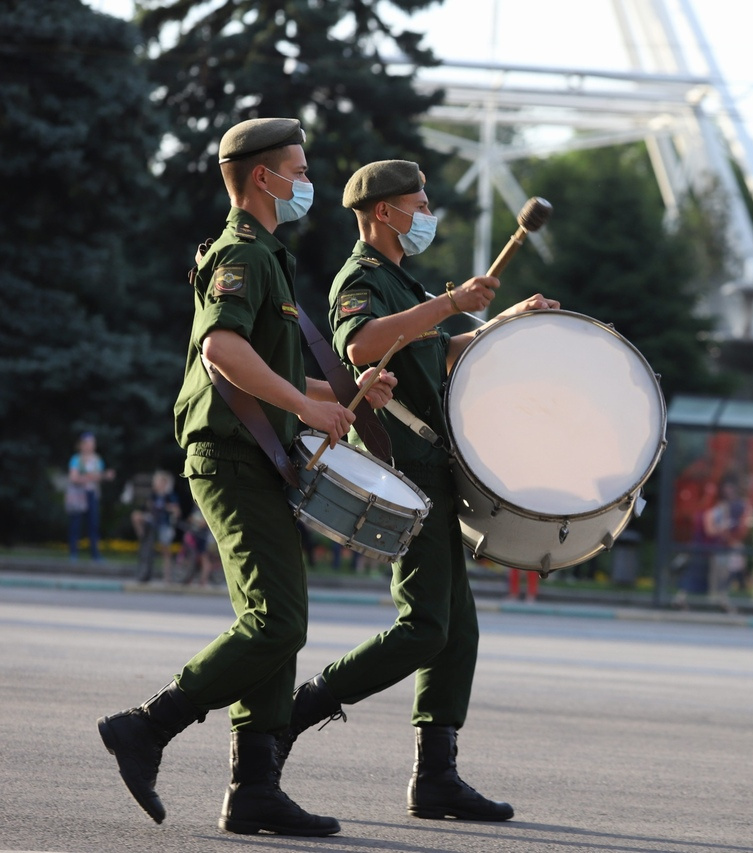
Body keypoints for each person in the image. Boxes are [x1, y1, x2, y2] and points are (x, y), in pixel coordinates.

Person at [96, 118, 396, 838]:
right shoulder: (242, 253)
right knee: (278, 620)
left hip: (257, 451)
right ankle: (147, 725)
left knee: (279, 623)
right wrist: (304, 405)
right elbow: (222, 348)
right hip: (229, 454)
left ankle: (254, 788)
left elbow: (274, 375)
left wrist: (342, 397)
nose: (307, 181)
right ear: (263, 177)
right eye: (298, 168)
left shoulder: (269, 256)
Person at [276, 159, 558, 823]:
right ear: (383, 212)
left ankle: (436, 775)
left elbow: (436, 348)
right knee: (425, 625)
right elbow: (361, 343)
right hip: (402, 465)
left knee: (457, 629)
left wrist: (496, 322)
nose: (427, 213)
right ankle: (293, 714)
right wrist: (455, 300)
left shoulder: (406, 281)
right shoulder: (363, 278)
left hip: (435, 465)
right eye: (419, 203)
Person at [703, 474, 753, 613]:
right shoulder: (719, 506)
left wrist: (733, 538)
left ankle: (726, 599)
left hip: (733, 544)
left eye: (731, 488)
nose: (728, 491)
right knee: (718, 573)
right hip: (720, 545)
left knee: (731, 573)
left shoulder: (742, 506)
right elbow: (713, 527)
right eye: (726, 488)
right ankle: (716, 601)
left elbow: (745, 525)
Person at [67, 431, 115, 560]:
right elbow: (74, 478)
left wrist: (98, 477)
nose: (90, 446)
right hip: (78, 496)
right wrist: (94, 477)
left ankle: (95, 554)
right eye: (87, 443)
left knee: (93, 524)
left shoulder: (97, 460)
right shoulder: (76, 459)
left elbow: (98, 477)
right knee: (75, 524)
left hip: (92, 494)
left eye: (92, 443)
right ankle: (73, 553)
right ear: (82, 445)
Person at [135, 469, 181, 583]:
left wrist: (167, 508)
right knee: (136, 516)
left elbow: (176, 511)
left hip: (164, 523)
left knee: (166, 551)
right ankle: (141, 535)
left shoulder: (169, 496)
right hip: (153, 522)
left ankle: (167, 577)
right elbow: (145, 509)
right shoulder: (153, 495)